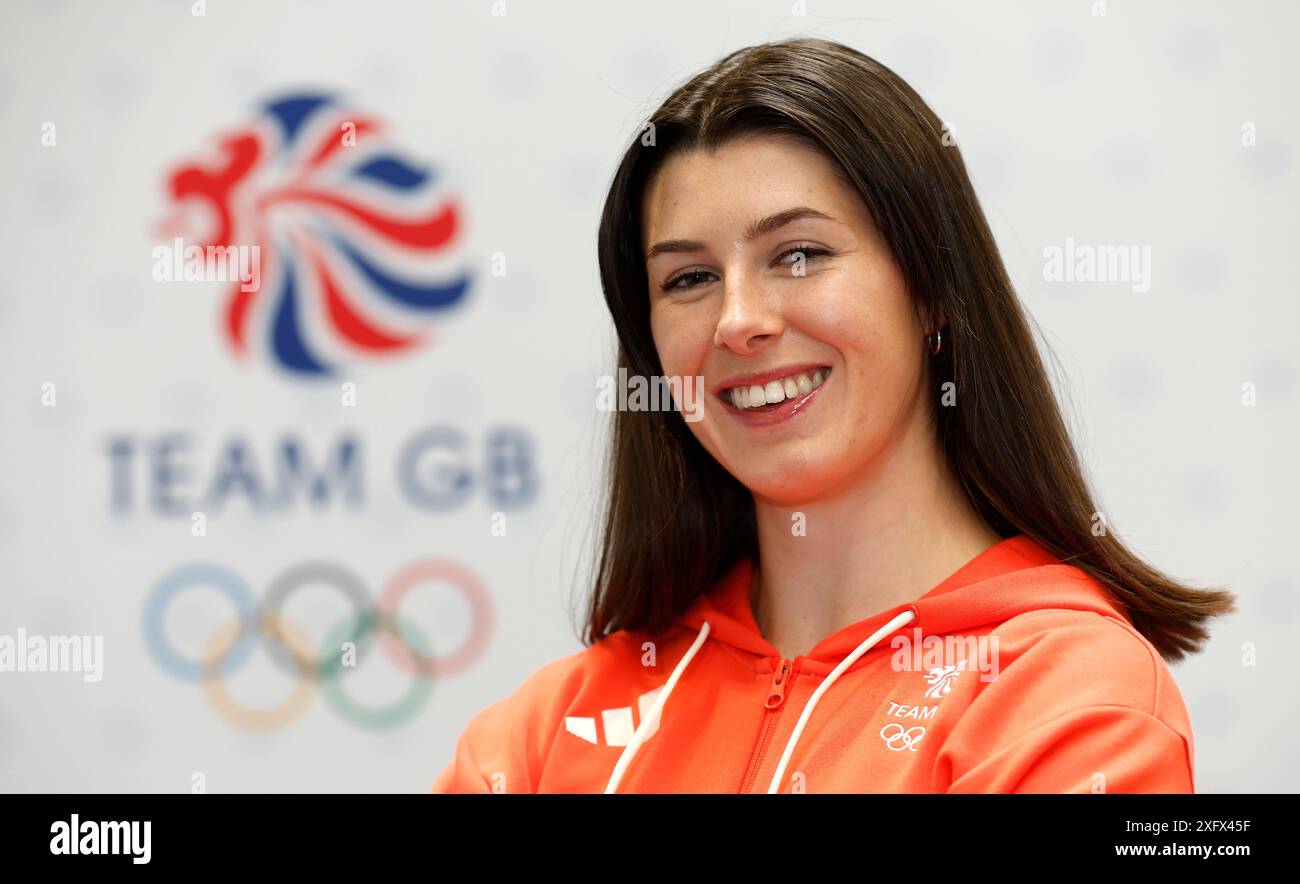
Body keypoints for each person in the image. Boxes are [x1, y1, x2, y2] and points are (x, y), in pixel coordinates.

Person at [430, 36, 1235, 794]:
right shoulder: (537, 740)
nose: (737, 319)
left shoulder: (1071, 699)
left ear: (931, 290)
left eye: (799, 254)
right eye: (687, 279)